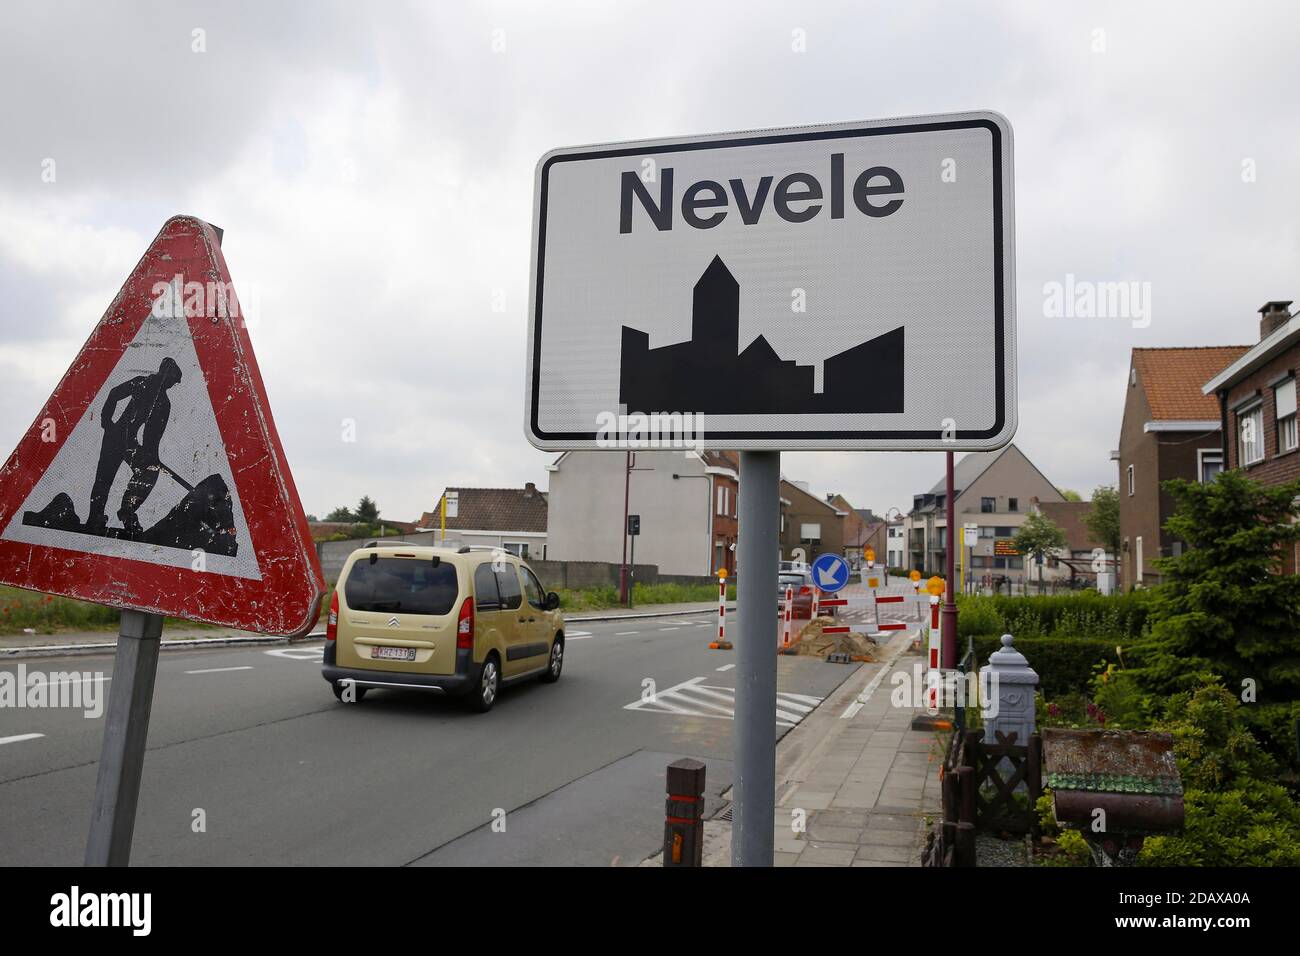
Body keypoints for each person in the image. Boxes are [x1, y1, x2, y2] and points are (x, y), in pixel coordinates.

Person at [87, 357, 182, 535]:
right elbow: (115, 393)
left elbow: (152, 437)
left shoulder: (163, 402)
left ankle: (127, 511)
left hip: (129, 443)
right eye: (171, 381)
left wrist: (152, 458)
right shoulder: (142, 383)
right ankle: (95, 517)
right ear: (166, 376)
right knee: (104, 479)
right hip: (115, 438)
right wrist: (106, 421)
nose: (170, 385)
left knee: (149, 472)